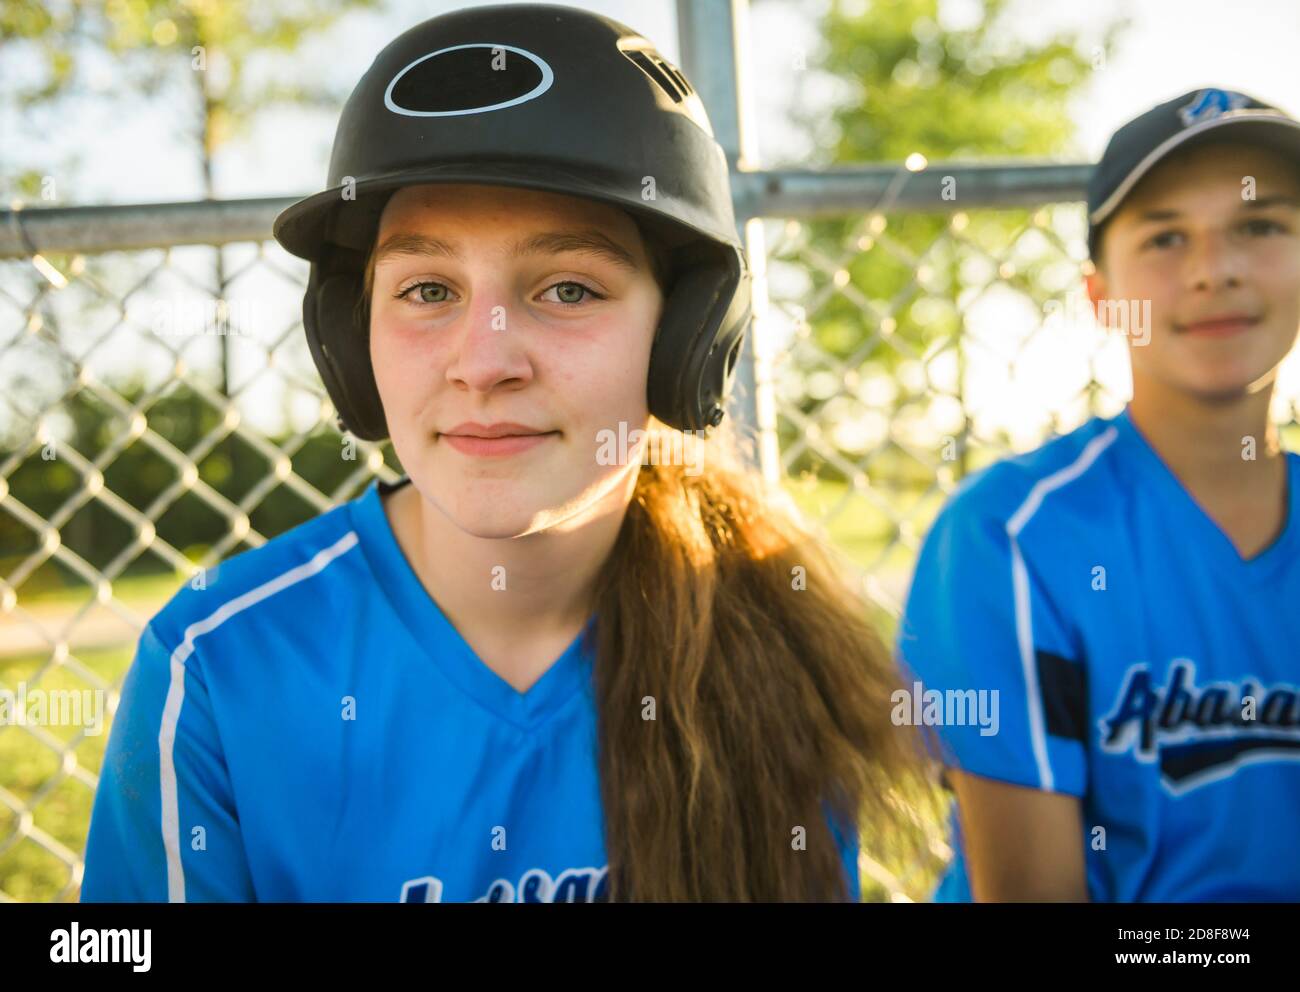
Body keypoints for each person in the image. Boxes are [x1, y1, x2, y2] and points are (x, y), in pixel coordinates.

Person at [81, 3, 929, 903]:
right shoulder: (222, 664)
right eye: (429, 288)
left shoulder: (770, 635)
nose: (484, 362)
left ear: (687, 338)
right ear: (348, 334)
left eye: (568, 287)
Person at [898, 87, 1300, 902]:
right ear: (1100, 296)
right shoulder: (1008, 537)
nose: (1215, 269)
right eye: (1164, 237)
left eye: (1260, 226)